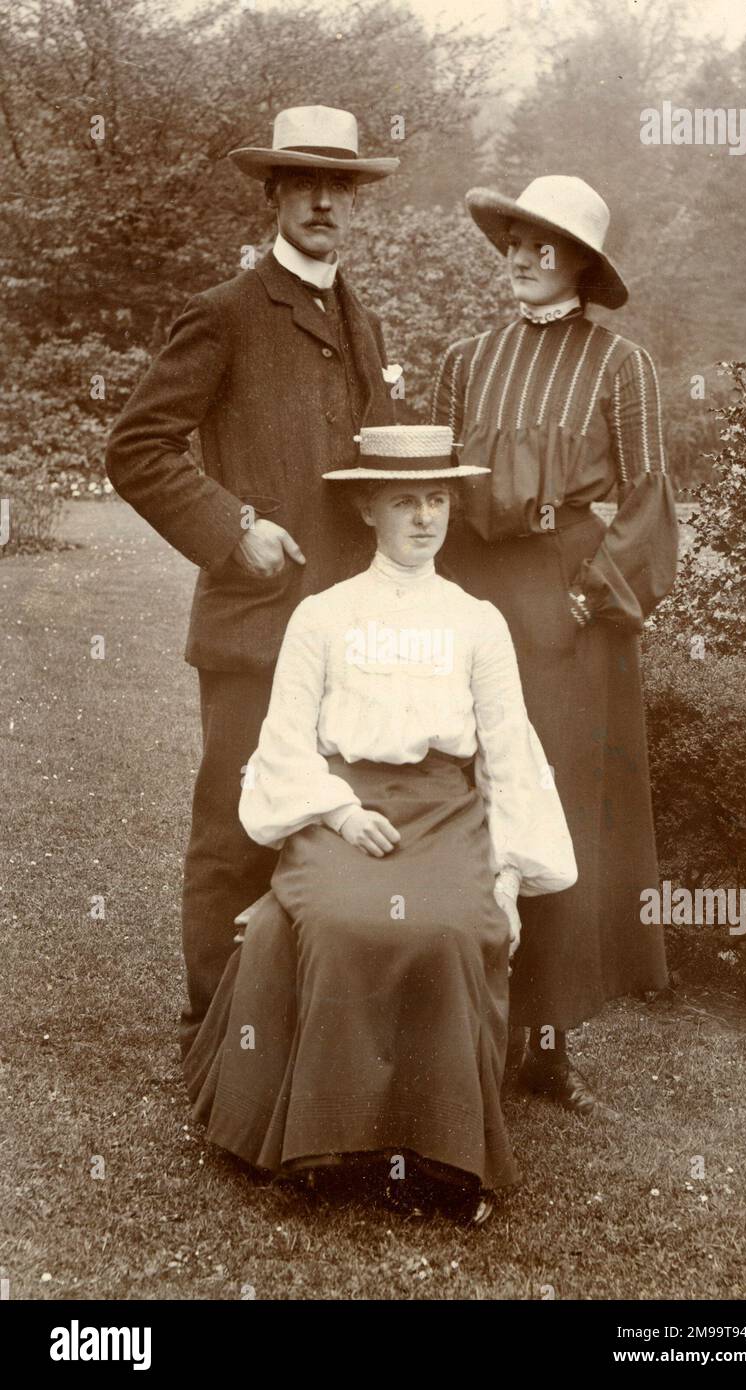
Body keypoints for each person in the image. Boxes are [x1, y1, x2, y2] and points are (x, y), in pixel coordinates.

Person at [183, 424, 577, 1223]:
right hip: (341, 809)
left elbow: (507, 748)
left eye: (437, 499)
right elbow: (285, 739)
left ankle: (444, 1157)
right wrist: (338, 809)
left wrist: (507, 874)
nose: (425, 518)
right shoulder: (323, 617)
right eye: (405, 501)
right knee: (340, 922)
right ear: (368, 508)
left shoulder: (478, 622)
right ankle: (331, 1144)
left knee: (451, 929)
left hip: (444, 814)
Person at [105, 106, 399, 1056]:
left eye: (339, 185)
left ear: (352, 200)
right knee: (238, 822)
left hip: (352, 626)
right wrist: (236, 529)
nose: (323, 200)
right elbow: (137, 448)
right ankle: (214, 1025)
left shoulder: (364, 319)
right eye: (304, 183)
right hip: (256, 626)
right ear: (273, 195)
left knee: (330, 814)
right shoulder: (226, 310)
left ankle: (307, 1016)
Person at [431, 176, 680, 1115]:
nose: (523, 258)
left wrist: (587, 597)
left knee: (558, 806)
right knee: (467, 786)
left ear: (581, 261)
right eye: (513, 242)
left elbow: (652, 500)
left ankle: (546, 1042)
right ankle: (468, 1026)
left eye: (544, 245)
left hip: (568, 605)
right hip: (472, 587)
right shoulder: (463, 359)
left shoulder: (623, 366)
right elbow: (437, 489)